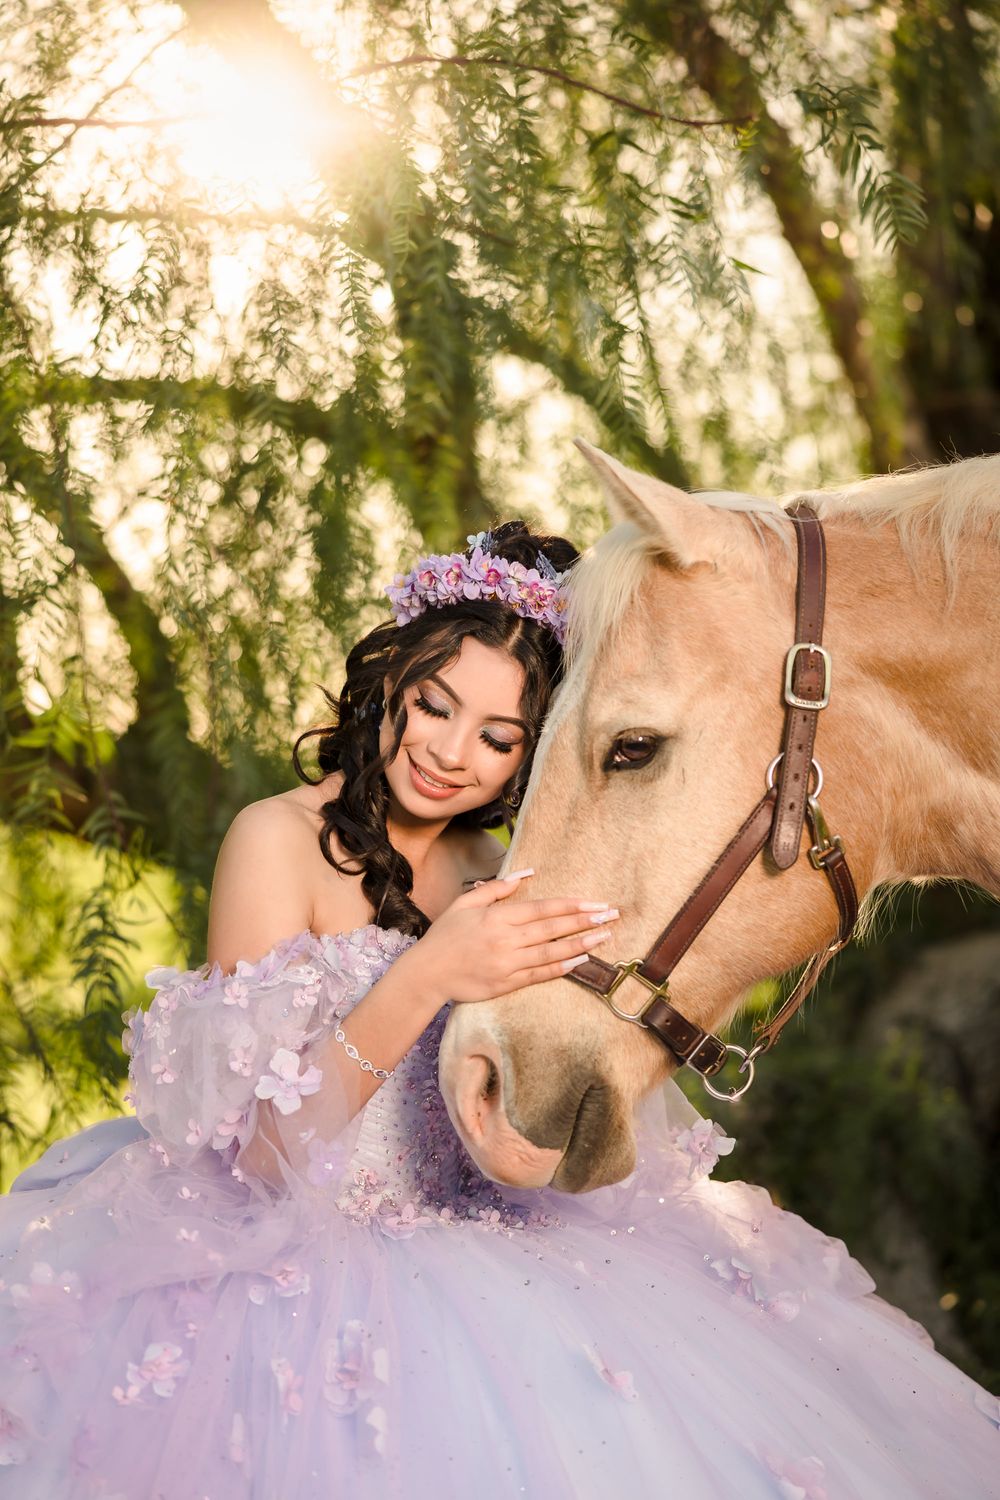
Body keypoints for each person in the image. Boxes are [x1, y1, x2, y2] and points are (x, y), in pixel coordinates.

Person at [0, 521, 996, 1500]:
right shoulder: (277, 840)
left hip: (512, 1266)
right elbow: (256, 1156)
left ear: (534, 753)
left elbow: (562, 1083)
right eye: (432, 706)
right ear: (388, 679)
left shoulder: (507, 869)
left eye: (497, 738)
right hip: (295, 1278)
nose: (447, 753)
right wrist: (428, 975)